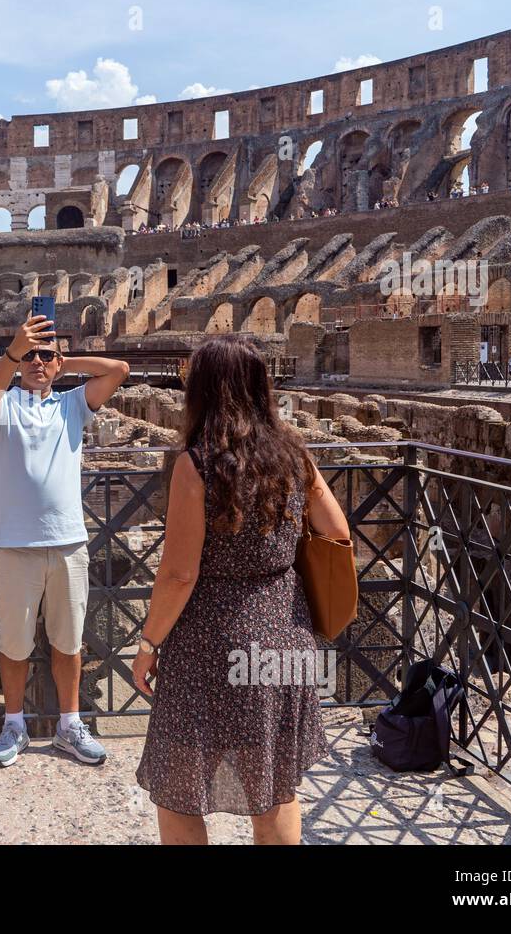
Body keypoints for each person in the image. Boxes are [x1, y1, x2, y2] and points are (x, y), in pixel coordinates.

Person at [132, 335, 349, 844]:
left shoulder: (197, 464)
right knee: (273, 787)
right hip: (284, 634)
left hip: (211, 642)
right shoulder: (295, 456)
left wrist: (148, 644)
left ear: (203, 390)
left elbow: (180, 574)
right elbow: (337, 532)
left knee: (179, 785)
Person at [0, 311, 130, 767]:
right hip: (15, 546)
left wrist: (64, 359)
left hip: (67, 542)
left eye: (45, 356)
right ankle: (14, 724)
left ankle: (69, 724)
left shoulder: (71, 404)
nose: (37, 362)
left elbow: (118, 371)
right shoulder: (1, 406)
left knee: (69, 642)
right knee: (14, 645)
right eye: (31, 356)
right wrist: (15, 352)